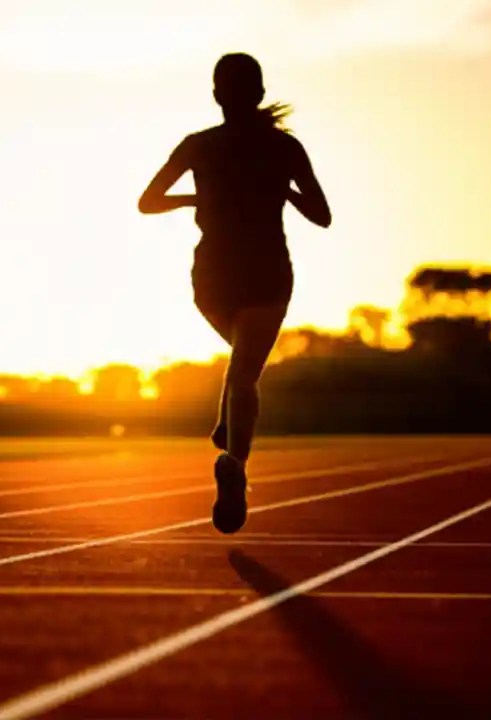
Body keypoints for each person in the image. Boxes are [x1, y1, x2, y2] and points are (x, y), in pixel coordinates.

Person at [138, 52, 331, 534]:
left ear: (217, 96)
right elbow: (323, 215)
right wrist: (286, 193)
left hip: (213, 274)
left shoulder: (197, 145)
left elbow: (147, 202)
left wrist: (198, 199)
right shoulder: (285, 147)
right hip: (267, 267)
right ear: (261, 94)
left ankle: (229, 422)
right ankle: (235, 463)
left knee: (242, 362)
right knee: (245, 371)